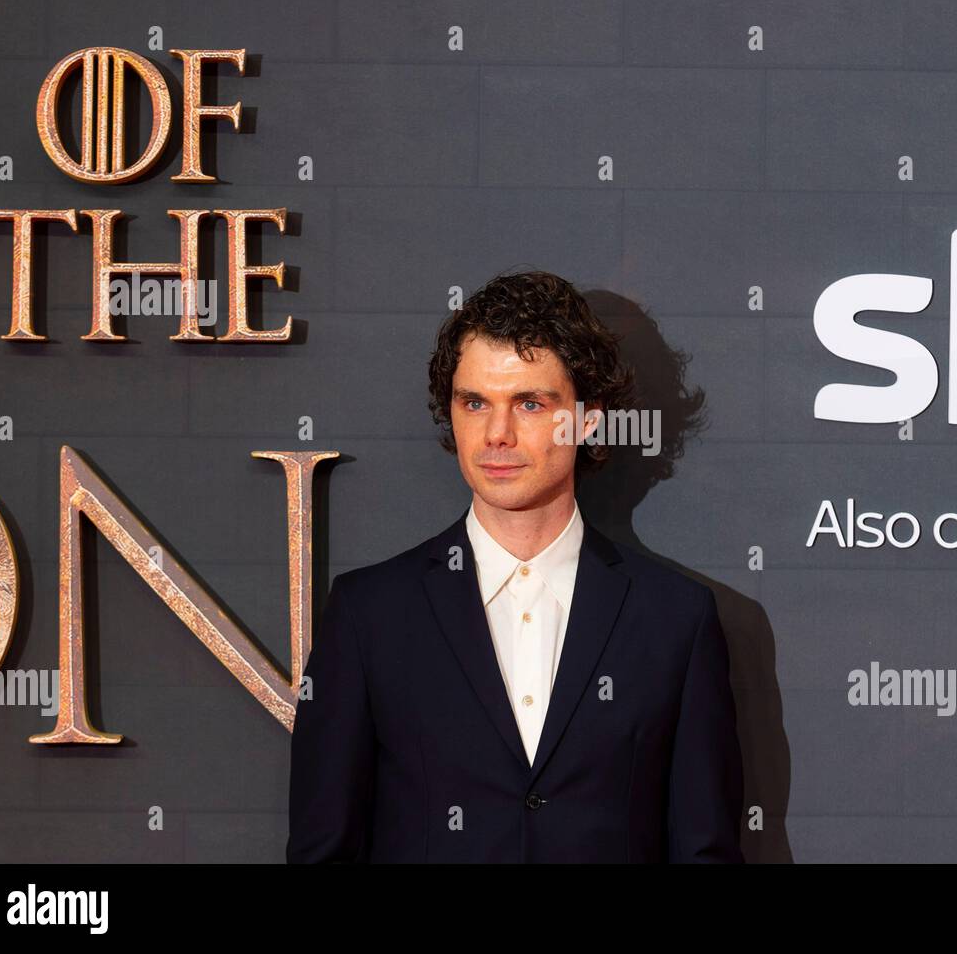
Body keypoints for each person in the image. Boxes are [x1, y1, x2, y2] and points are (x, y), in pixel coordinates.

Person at [286, 270, 744, 862]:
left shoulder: (676, 620)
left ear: (587, 419)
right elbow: (323, 849)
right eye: (475, 402)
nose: (496, 435)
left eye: (529, 403)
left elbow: (705, 851)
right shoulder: (369, 614)